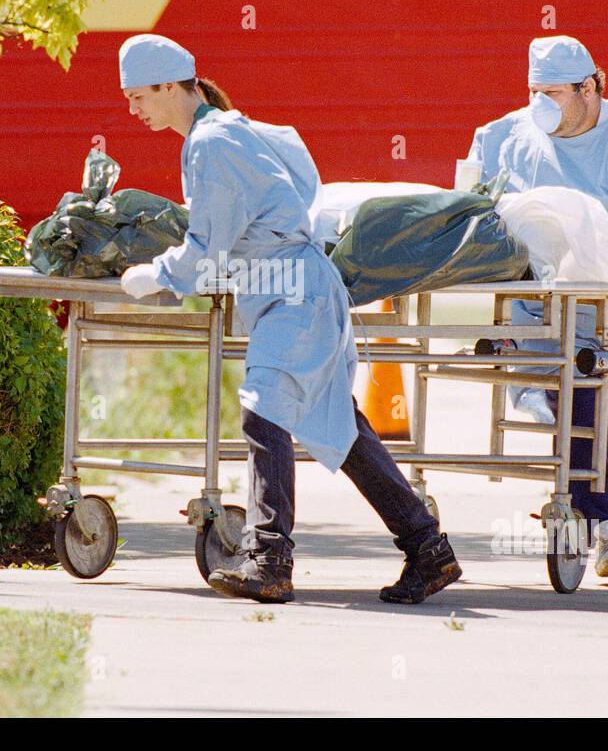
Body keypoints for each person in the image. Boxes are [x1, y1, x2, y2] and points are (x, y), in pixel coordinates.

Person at [116, 33, 461, 605]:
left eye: (138, 96)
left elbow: (209, 245)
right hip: (297, 290)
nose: (133, 110)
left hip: (291, 295)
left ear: (171, 85)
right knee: (339, 429)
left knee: (263, 407)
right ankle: (429, 549)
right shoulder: (232, 131)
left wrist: (160, 273)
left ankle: (269, 558)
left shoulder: (212, 143)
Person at [465, 35, 608, 583]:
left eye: (555, 93)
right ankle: (607, 529)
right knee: (576, 409)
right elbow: (475, 203)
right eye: (534, 92)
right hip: (556, 298)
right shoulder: (505, 138)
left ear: (590, 88)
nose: (542, 104)